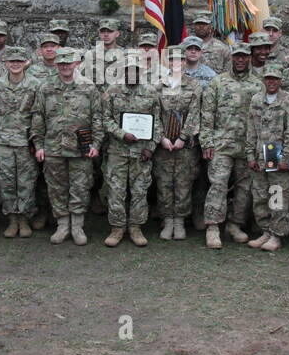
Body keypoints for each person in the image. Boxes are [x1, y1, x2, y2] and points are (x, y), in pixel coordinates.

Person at [32, 48, 103, 246]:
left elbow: (97, 117)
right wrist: (39, 144)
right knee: (56, 188)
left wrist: (96, 143)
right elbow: (38, 116)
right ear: (56, 64)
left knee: (80, 187)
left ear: (76, 63)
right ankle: (62, 225)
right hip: (53, 147)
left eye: (68, 63)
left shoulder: (88, 87)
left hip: (81, 148)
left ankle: (77, 226)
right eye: (61, 63)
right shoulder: (46, 87)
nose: (65, 66)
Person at [98, 51, 160, 247]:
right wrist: (121, 133)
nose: (131, 74)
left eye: (135, 70)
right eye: (128, 70)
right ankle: (117, 228)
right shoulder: (112, 91)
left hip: (142, 152)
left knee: (140, 190)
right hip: (118, 150)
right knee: (116, 190)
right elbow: (105, 120)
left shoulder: (151, 93)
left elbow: (157, 123)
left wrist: (151, 147)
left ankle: (135, 227)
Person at [200, 42, 258, 248]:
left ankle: (235, 224)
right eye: (237, 56)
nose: (240, 60)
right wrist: (206, 141)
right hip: (221, 145)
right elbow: (207, 114)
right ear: (232, 58)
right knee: (218, 185)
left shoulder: (257, 84)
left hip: (246, 147)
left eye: (244, 56)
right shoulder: (218, 82)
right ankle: (213, 226)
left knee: (245, 188)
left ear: (249, 58)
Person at [245, 63, 289, 252]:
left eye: (275, 79)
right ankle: (265, 231)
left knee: (277, 197)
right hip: (260, 157)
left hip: (280, 158)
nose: (271, 82)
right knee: (260, 196)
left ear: (280, 81)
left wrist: (286, 158)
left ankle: (277, 235)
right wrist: (249, 155)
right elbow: (251, 129)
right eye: (268, 78)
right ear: (264, 80)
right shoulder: (256, 100)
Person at [0, 46, 41, 238]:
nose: (16, 64)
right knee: (6, 181)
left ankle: (25, 218)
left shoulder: (35, 85)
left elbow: (38, 115)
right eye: (12, 61)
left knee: (26, 182)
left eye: (19, 61)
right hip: (3, 141)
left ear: (26, 62)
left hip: (26, 142)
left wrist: (37, 141)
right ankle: (12, 218)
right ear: (6, 63)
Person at [154, 46, 204, 240]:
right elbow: (154, 115)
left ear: (185, 62)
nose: (177, 63)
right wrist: (161, 138)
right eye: (173, 60)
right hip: (164, 144)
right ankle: (167, 220)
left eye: (180, 60)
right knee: (164, 183)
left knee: (183, 183)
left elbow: (195, 114)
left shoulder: (194, 86)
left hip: (185, 145)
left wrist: (183, 138)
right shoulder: (158, 86)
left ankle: (180, 221)